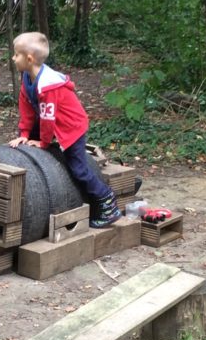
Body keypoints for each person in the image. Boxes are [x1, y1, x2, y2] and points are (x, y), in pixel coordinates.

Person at [8, 31, 121, 228]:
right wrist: (24, 135)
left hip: (71, 127)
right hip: (53, 122)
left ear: (29, 58)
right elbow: (26, 110)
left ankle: (106, 201)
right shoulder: (27, 79)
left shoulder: (48, 85)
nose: (12, 58)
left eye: (16, 54)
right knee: (31, 143)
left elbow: (48, 118)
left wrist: (43, 143)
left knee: (78, 169)